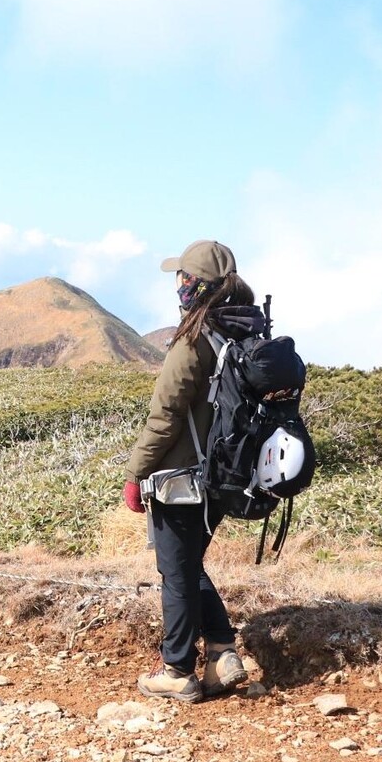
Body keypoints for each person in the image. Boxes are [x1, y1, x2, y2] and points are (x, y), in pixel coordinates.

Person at [124, 240, 256, 703]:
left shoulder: (193, 338)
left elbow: (165, 416)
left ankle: (177, 670)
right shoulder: (246, 331)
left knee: (175, 571)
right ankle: (221, 651)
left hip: (180, 480)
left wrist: (135, 473)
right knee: (189, 564)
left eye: (182, 276)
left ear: (196, 284)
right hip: (226, 475)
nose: (177, 284)